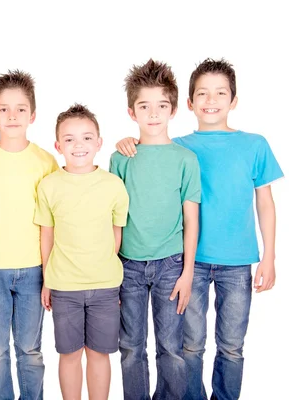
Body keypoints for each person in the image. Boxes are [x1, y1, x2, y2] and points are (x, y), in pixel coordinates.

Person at [115, 58, 284, 400]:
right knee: (189, 345)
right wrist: (125, 142)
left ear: (233, 101)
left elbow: (265, 203)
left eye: (221, 93)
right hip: (185, 262)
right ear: (189, 104)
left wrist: (270, 257)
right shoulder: (179, 147)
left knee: (232, 346)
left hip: (237, 262)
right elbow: (150, 146)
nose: (211, 100)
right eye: (203, 94)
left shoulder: (255, 144)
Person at [109, 59, 201, 400]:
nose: (153, 113)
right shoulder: (121, 158)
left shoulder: (185, 159)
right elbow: (111, 219)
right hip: (128, 265)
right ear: (132, 111)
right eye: (144, 106)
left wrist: (188, 272)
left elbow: (191, 218)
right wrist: (112, 266)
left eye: (161, 105)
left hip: (170, 265)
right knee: (131, 347)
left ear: (173, 109)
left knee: (171, 347)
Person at [0, 70, 58, 400]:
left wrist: (50, 273)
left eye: (20, 109)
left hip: (34, 268)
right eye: (4, 109)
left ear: (32, 115)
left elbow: (53, 222)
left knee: (30, 350)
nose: (12, 116)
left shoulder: (46, 162)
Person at [35, 104, 129, 400]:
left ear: (99, 143)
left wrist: (103, 267)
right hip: (64, 286)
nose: (79, 145)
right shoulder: (49, 186)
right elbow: (46, 234)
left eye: (87, 138)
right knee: (70, 354)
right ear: (57, 145)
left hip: (104, 286)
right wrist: (47, 279)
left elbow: (117, 233)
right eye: (70, 139)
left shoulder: (114, 185)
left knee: (100, 354)